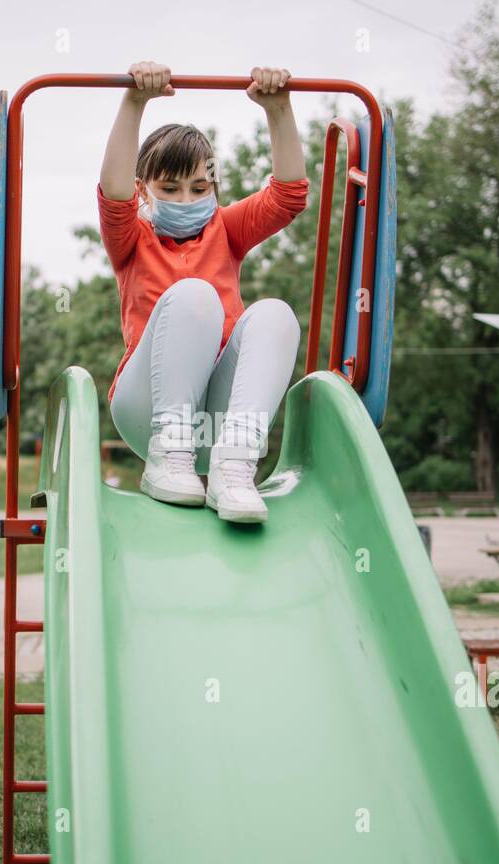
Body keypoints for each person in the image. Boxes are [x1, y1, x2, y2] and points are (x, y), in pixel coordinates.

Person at [96, 61, 307, 523]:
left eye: (198, 187)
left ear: (214, 187)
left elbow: (290, 194)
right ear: (143, 192)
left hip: (214, 419)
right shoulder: (131, 238)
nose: (186, 200)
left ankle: (235, 468)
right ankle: (166, 461)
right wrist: (135, 101)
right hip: (145, 411)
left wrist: (278, 109)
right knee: (194, 294)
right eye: (169, 188)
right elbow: (112, 194)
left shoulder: (226, 229)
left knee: (275, 314)